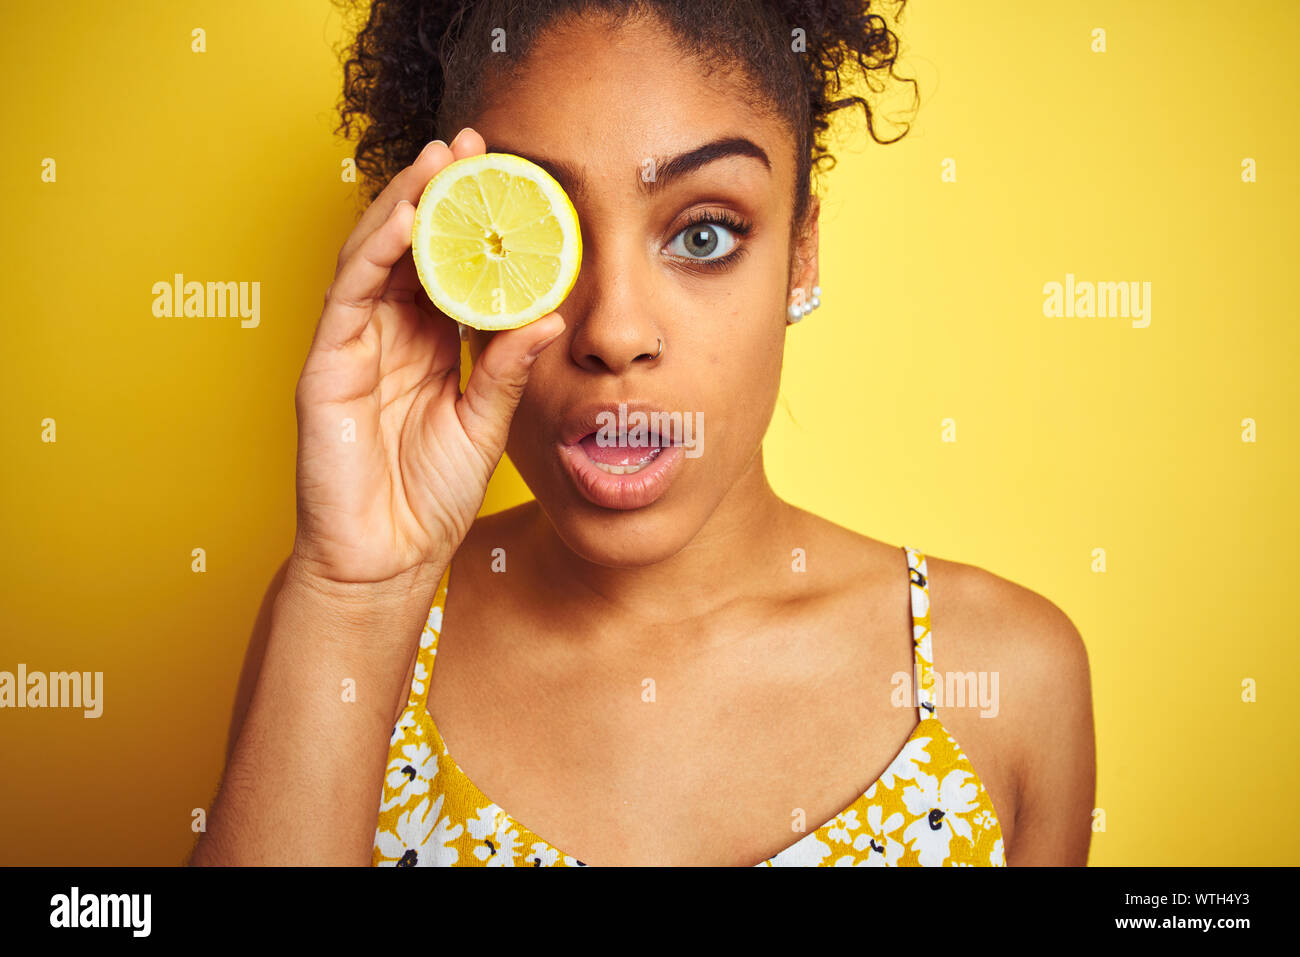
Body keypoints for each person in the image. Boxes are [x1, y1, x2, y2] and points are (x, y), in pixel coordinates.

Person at [190, 0, 1095, 867]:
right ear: (452, 265)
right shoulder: (342, 628)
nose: (615, 331)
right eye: (548, 237)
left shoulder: (1007, 677)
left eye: (703, 235)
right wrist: (353, 600)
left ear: (801, 256)